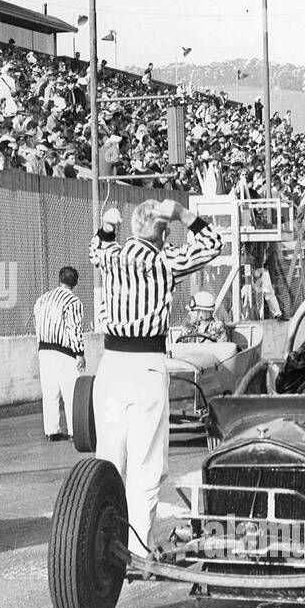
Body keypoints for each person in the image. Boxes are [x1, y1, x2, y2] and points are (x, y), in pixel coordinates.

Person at [90, 200, 223, 560]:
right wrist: (183, 214)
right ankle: (138, 550)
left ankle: (100, 542)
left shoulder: (113, 257)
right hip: (146, 366)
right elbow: (213, 244)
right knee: (146, 466)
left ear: (133, 230)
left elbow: (97, 248)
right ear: (163, 235)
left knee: (108, 460)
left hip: (110, 366)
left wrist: (107, 226)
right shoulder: (164, 261)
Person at [33, 266, 85, 442]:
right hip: (64, 351)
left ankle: (52, 431)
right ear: (75, 281)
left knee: (50, 392)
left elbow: (37, 325)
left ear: (59, 279)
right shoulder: (73, 301)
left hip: (44, 350)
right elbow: (74, 328)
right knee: (71, 393)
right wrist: (80, 353)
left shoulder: (42, 299)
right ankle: (74, 431)